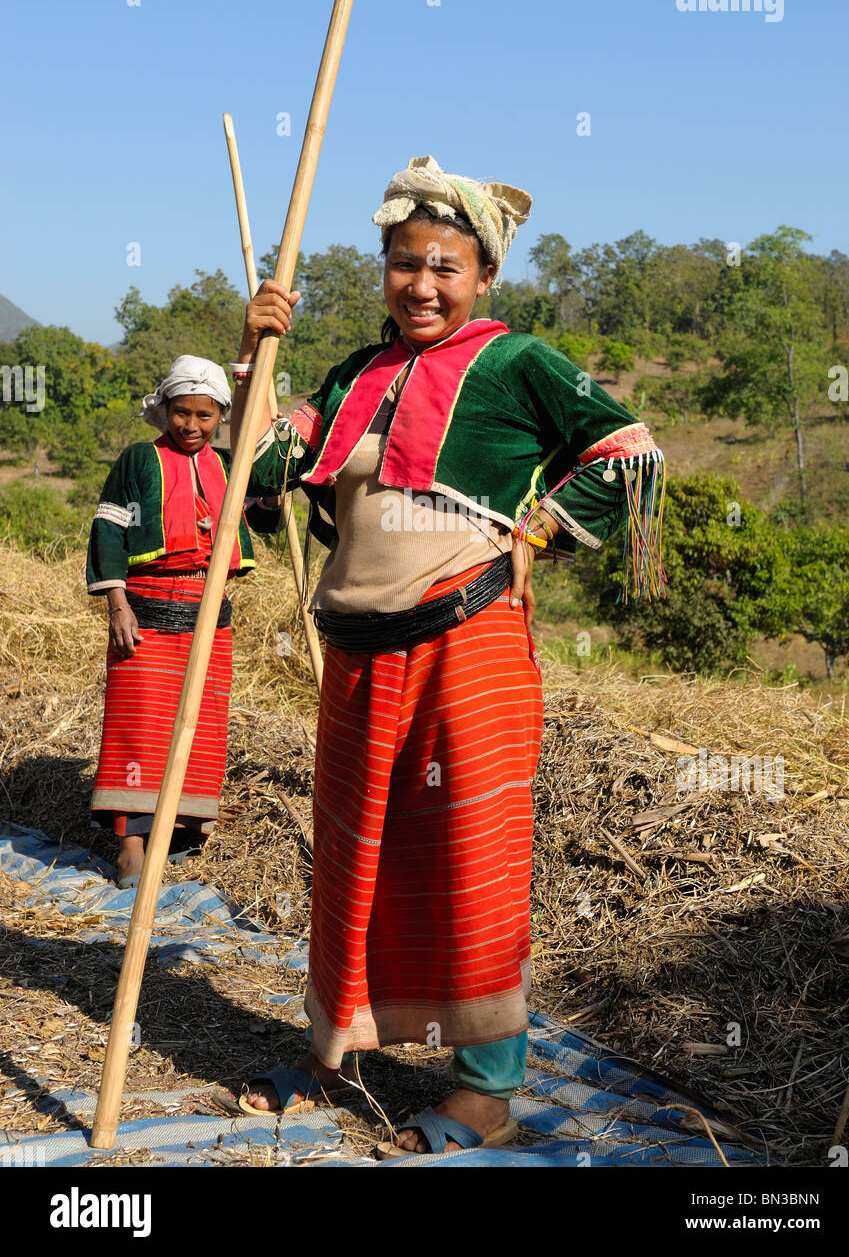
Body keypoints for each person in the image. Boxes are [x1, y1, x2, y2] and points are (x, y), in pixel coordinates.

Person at [232, 155, 666, 1155]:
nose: (421, 286)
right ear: (381, 270)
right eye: (402, 265)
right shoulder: (353, 374)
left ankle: (483, 1089)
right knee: (350, 858)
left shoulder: (520, 364)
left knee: (469, 858)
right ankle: (335, 1054)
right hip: (354, 656)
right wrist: (257, 360)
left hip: (466, 644)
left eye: (444, 267)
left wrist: (540, 530)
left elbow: (629, 450)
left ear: (481, 277)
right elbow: (257, 476)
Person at [86, 357, 280, 888]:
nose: (191, 425)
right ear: (165, 410)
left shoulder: (228, 466)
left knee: (197, 725)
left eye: (204, 415)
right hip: (145, 611)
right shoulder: (137, 460)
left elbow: (265, 519)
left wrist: (274, 489)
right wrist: (118, 605)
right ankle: (130, 845)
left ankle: (176, 834)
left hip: (208, 613)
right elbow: (108, 529)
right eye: (181, 413)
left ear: (220, 415)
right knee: (138, 725)